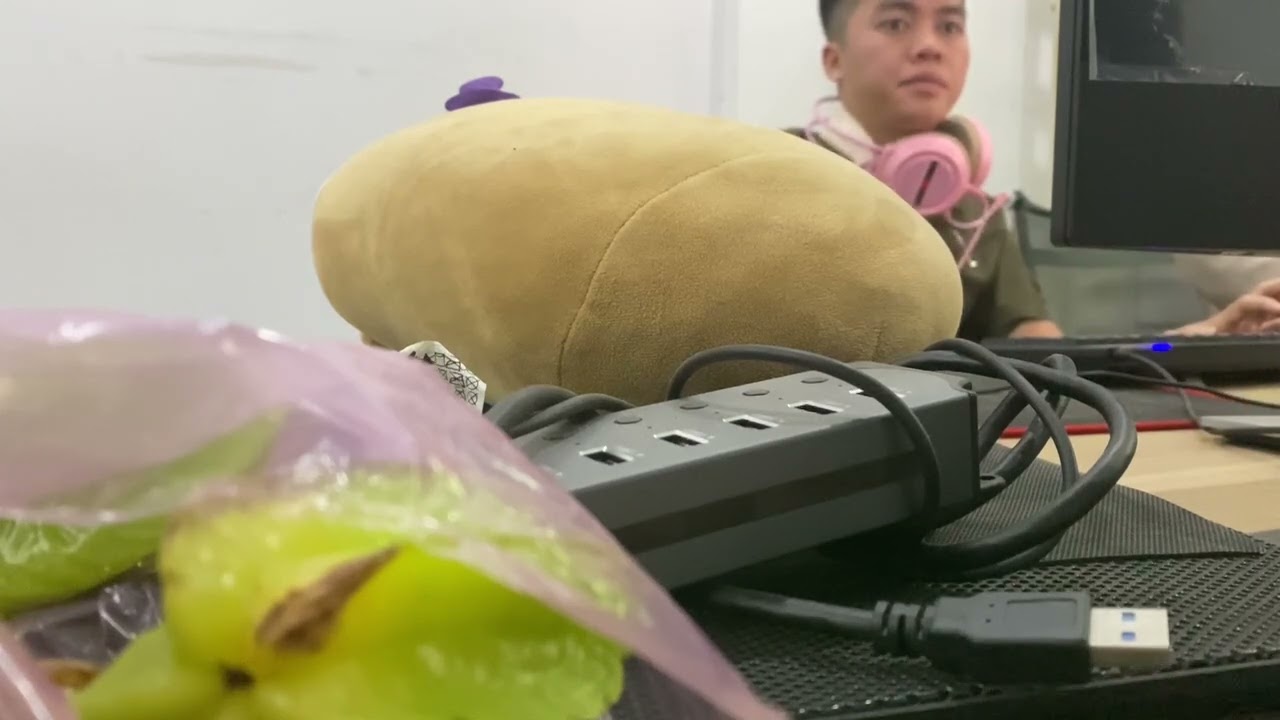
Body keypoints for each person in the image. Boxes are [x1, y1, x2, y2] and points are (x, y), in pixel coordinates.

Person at [795, 0, 1280, 339]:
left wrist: (1193, 339)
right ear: (833, 59)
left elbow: (1046, 356)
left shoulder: (973, 210)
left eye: (949, 26)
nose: (929, 46)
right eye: (896, 23)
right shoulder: (779, 175)